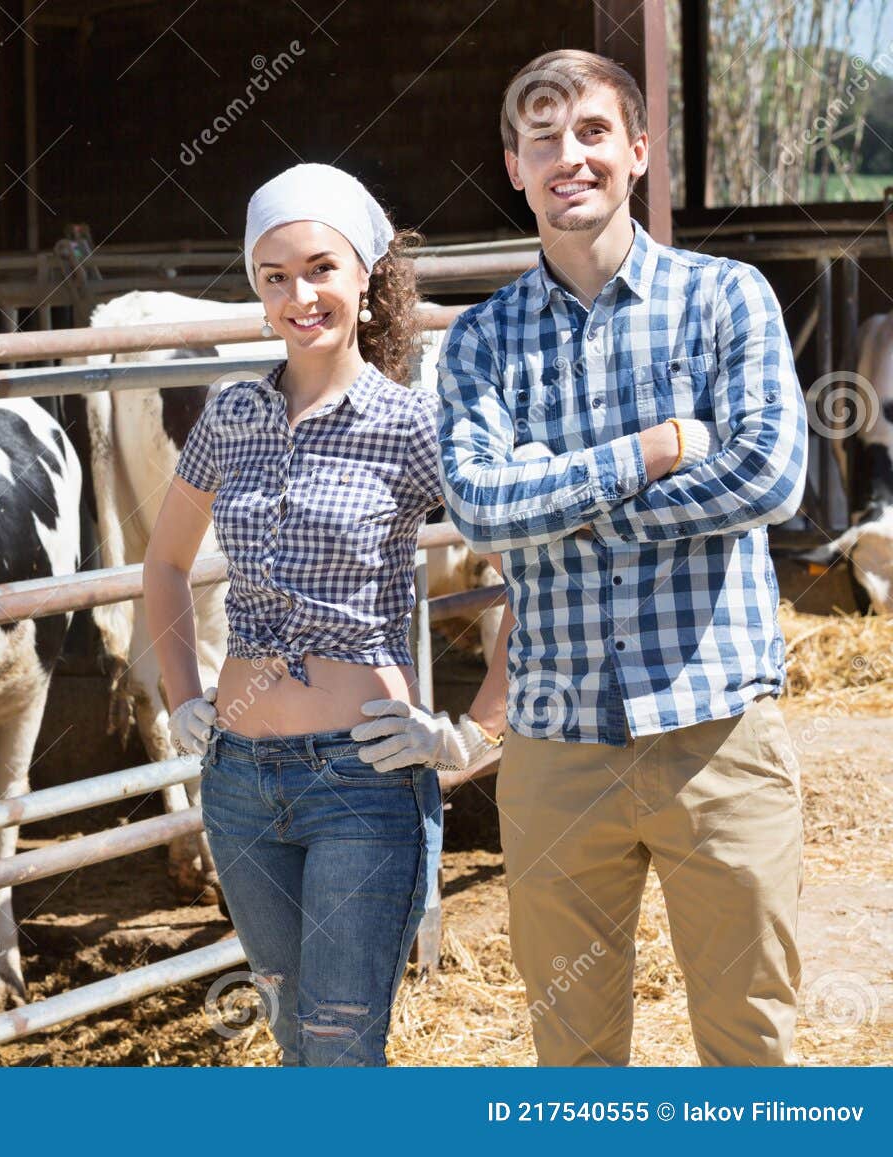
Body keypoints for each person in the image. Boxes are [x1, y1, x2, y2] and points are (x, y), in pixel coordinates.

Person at [414, 48, 807, 1066]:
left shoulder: (728, 298)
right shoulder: (478, 343)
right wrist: (650, 452)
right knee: (573, 1054)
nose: (567, 157)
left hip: (714, 732)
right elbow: (483, 513)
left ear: (636, 150)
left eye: (591, 132)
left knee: (748, 1040)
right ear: (512, 165)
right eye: (541, 138)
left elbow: (768, 479)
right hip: (554, 746)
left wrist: (564, 496)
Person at [142, 162, 513, 1066]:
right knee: (291, 1030)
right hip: (237, 782)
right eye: (274, 277)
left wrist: (470, 733)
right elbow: (164, 564)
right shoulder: (231, 416)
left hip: (363, 779)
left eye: (319, 268)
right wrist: (183, 694)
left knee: (342, 1044)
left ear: (365, 278)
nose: (298, 295)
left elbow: (526, 574)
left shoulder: (412, 424)